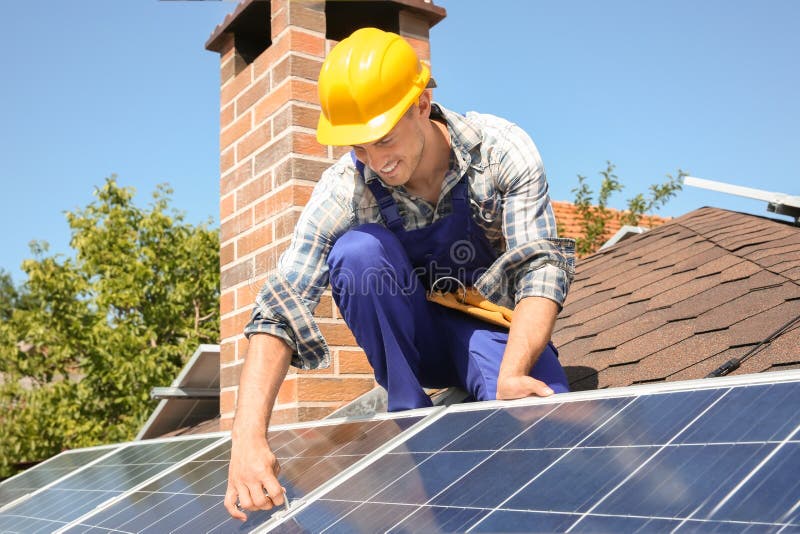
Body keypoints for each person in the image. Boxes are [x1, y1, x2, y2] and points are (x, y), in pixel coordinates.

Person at [224, 27, 575, 520]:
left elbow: (539, 266)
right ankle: (409, 418)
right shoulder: (346, 186)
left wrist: (514, 373)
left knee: (542, 428)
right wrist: (247, 438)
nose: (376, 162)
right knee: (357, 253)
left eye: (384, 139)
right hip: (417, 341)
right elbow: (282, 303)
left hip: (496, 329)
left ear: (422, 104)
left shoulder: (500, 152)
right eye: (359, 148)